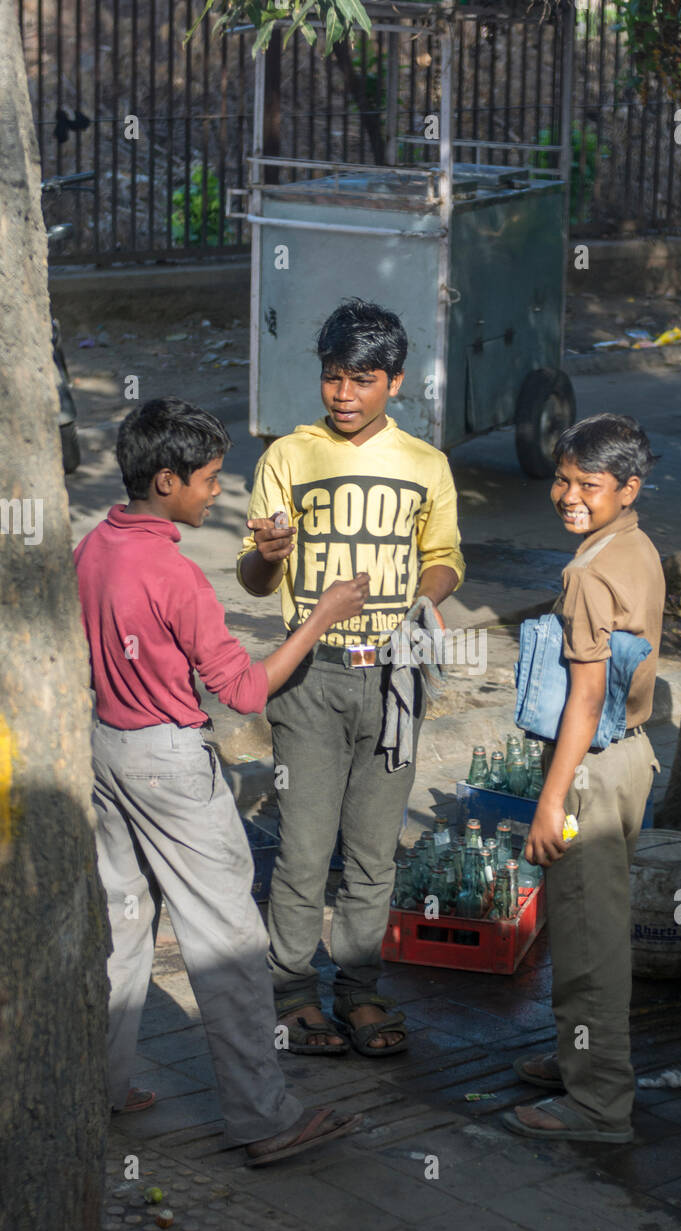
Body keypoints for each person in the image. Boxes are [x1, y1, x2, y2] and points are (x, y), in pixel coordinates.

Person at [74, 397, 368, 1165]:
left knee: (123, 926)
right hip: (170, 761)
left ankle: (94, 1086)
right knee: (230, 941)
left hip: (106, 749)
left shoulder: (95, 546)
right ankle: (265, 1118)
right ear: (166, 481)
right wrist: (324, 616)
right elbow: (243, 692)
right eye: (208, 480)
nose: (218, 493)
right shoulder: (175, 576)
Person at [237, 299, 464, 1056]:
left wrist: (417, 604)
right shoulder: (287, 459)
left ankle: (360, 993)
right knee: (304, 850)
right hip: (310, 679)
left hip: (397, 680)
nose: (343, 395)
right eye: (333, 378)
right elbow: (255, 581)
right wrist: (269, 553)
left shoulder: (426, 465)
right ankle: (292, 994)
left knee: (373, 854)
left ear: (394, 383)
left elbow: (446, 558)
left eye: (362, 380)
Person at [504, 413, 664, 1144]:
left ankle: (597, 1105)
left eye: (588, 485)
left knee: (589, 938)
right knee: (587, 925)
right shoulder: (633, 547)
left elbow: (586, 696)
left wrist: (550, 799)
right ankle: (579, 1058)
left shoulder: (589, 574)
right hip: (627, 761)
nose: (569, 495)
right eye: (564, 479)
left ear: (628, 488)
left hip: (591, 774)